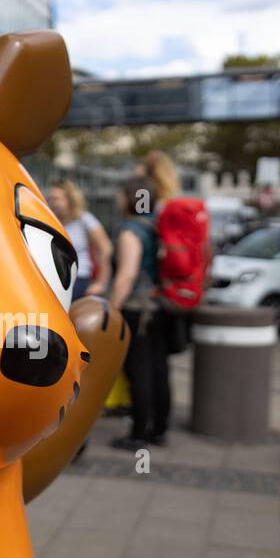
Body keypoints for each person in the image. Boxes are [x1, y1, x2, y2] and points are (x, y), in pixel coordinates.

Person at [109, 175, 171, 450]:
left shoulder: (130, 231)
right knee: (159, 370)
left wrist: (111, 309)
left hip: (137, 310)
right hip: (159, 307)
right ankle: (159, 430)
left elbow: (127, 274)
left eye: (120, 194)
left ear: (129, 197)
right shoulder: (155, 226)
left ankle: (138, 434)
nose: (117, 198)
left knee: (139, 372)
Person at [48, 180, 111, 301]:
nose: (52, 203)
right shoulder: (51, 220)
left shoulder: (85, 219)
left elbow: (106, 248)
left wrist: (101, 283)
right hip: (54, 279)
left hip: (79, 279)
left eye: (56, 199)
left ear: (70, 199)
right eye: (50, 199)